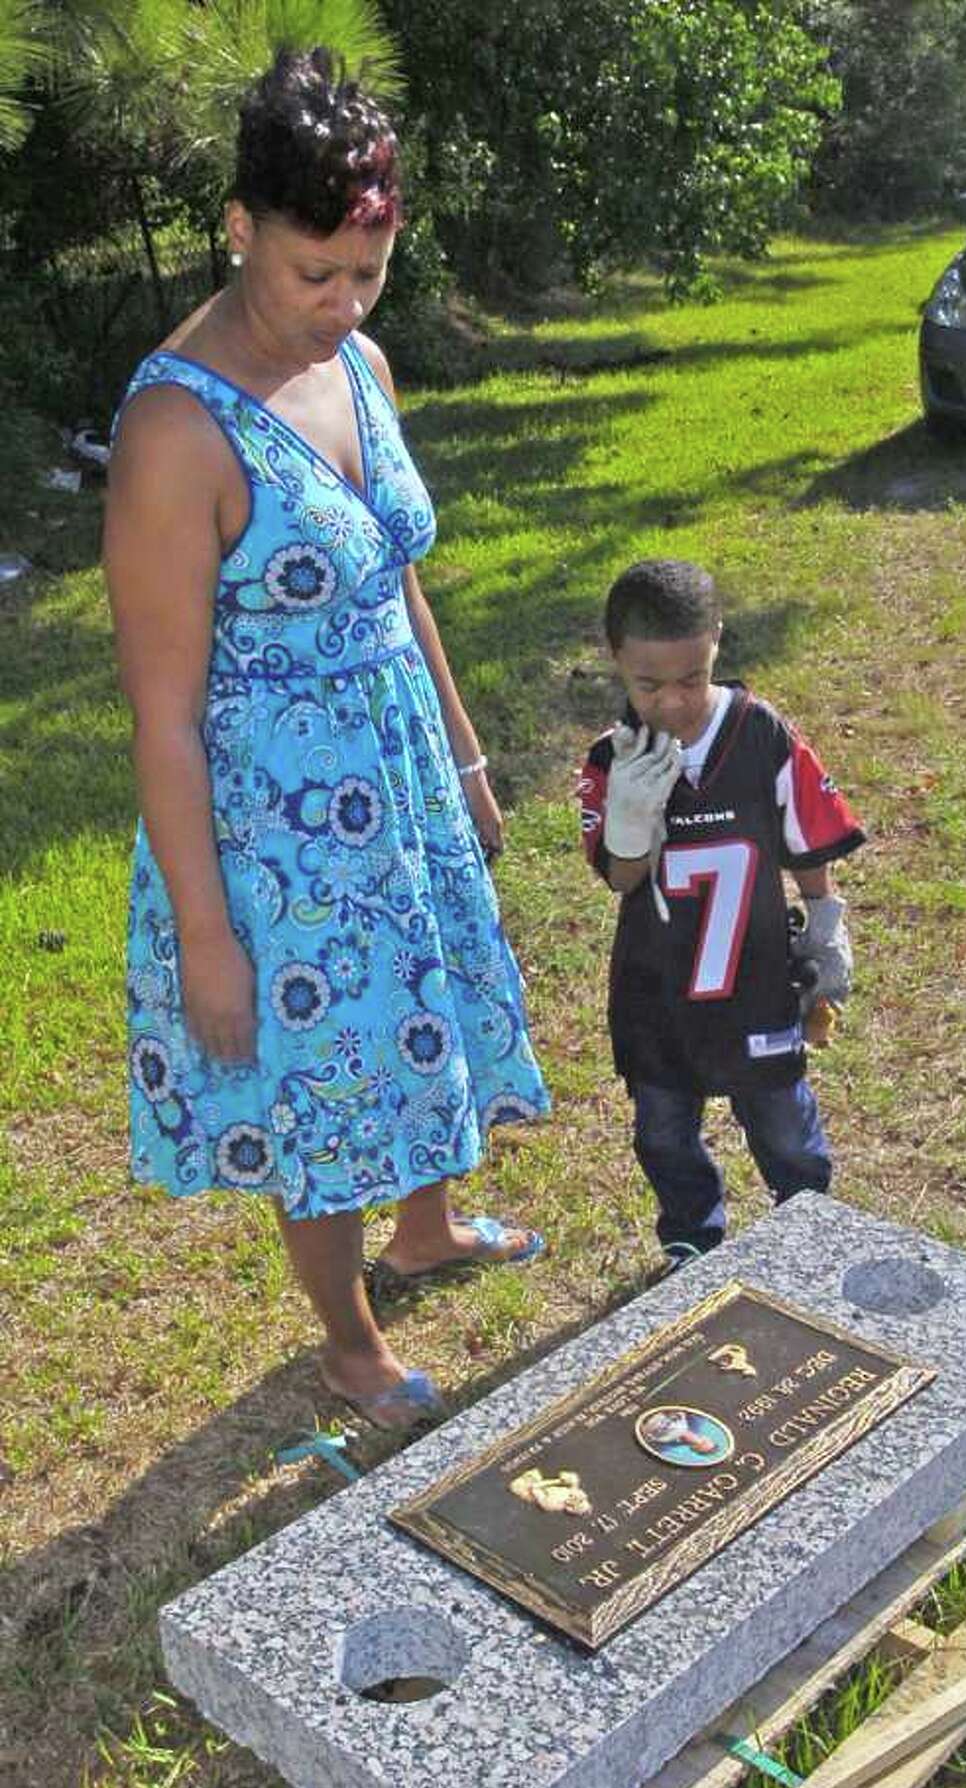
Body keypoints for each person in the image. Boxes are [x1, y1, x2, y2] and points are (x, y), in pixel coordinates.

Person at [104, 48, 549, 1428]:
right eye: (316, 275)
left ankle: (427, 1227)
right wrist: (211, 932)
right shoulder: (179, 429)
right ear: (240, 230)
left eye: (370, 273)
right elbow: (162, 713)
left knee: (417, 1012)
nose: (344, 306)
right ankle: (351, 1344)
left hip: (397, 769)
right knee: (328, 1074)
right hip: (276, 833)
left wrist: (465, 751)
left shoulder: (361, 365)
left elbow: (393, 574)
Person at [577, 560, 864, 1269]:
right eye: (648, 685)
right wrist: (630, 826)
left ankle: (808, 1227)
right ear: (616, 660)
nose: (673, 702)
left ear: (716, 644)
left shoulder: (763, 735)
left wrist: (824, 915)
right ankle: (691, 1238)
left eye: (690, 679)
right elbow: (620, 881)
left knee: (785, 1126)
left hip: (756, 977)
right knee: (664, 1131)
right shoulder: (613, 760)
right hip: (658, 988)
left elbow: (807, 836)